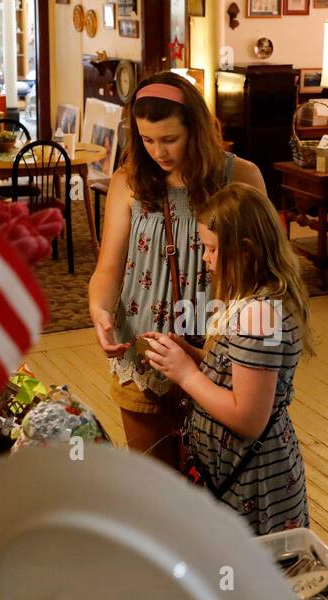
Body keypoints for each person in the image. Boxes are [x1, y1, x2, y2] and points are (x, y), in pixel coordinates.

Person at [88, 72, 267, 468]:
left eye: (170, 139)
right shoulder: (128, 181)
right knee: (154, 485)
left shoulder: (241, 177)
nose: (158, 152)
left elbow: (265, 273)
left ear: (197, 129)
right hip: (144, 345)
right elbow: (108, 269)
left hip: (214, 348)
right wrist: (100, 311)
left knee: (212, 484)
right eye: (147, 140)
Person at [142, 183, 313, 535]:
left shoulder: (259, 316)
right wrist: (194, 357)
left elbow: (248, 417)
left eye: (212, 249)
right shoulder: (255, 302)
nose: (205, 258)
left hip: (253, 484)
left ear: (246, 251)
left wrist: (187, 375)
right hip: (240, 476)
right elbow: (240, 374)